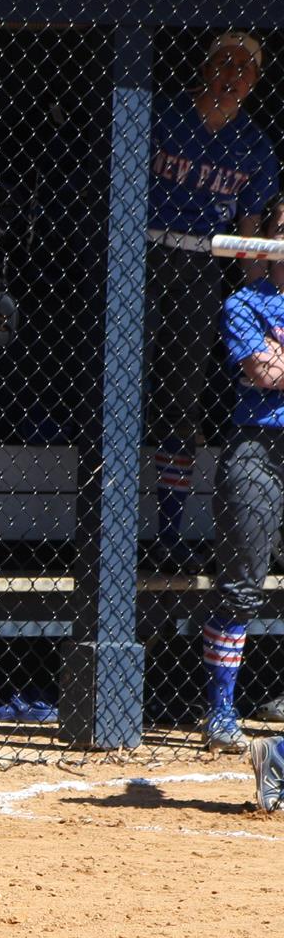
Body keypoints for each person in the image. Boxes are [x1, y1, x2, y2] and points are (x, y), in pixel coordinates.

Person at [144, 31, 279, 565]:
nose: (232, 74)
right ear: (204, 66)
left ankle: (169, 535)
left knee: (182, 396)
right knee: (125, 387)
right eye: (224, 62)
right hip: (145, 252)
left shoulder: (254, 144)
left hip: (204, 262)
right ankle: (104, 526)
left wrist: (257, 305)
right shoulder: (162, 114)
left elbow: (250, 231)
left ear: (253, 83)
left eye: (244, 68)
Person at [196, 197, 284, 752]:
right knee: (242, 585)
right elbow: (265, 372)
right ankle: (220, 711)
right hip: (259, 445)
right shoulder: (246, 301)